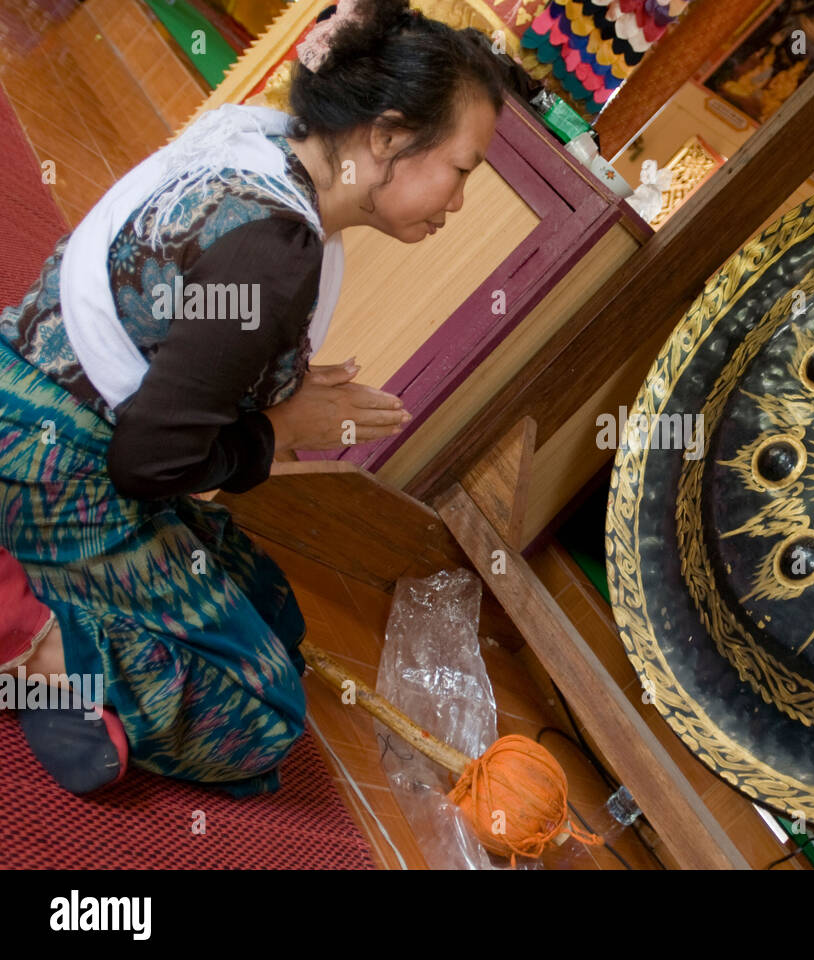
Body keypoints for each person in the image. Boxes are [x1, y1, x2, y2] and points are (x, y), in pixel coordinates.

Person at [0, 0, 514, 796]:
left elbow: (181, 334)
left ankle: (51, 601)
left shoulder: (263, 144)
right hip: (56, 460)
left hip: (37, 402)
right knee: (262, 718)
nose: (458, 200)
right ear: (385, 136)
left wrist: (268, 392)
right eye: (461, 168)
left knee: (272, 607)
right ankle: (43, 646)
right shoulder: (274, 253)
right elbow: (149, 461)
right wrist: (279, 428)